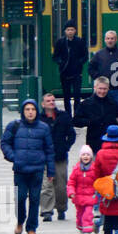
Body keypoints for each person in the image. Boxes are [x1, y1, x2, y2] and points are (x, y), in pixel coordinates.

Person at [1, 98, 55, 234]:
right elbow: (5, 143)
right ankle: (20, 221)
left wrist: (50, 170)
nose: (30, 112)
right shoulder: (15, 126)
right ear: (23, 111)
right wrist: (13, 157)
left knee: (35, 199)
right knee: (20, 197)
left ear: (37, 111)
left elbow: (49, 150)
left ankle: (31, 227)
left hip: (37, 169)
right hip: (20, 169)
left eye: (33, 109)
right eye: (27, 109)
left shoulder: (43, 128)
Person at [39, 91, 76, 222]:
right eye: (48, 101)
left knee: (61, 184)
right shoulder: (39, 119)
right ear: (43, 104)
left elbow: (71, 134)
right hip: (44, 157)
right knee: (46, 184)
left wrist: (66, 147)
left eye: (53, 100)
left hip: (60, 156)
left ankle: (61, 208)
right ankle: (46, 210)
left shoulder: (63, 116)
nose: (52, 102)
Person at [73, 76, 118, 154]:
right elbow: (76, 121)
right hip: (94, 143)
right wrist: (89, 122)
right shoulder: (86, 104)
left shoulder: (113, 103)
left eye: (105, 89)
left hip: (110, 143)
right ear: (95, 88)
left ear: (108, 88)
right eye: (100, 88)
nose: (102, 91)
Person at [88, 29, 118, 119]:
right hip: (103, 90)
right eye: (108, 38)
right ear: (105, 40)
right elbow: (90, 67)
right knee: (101, 111)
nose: (110, 40)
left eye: (112, 38)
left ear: (116, 39)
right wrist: (98, 78)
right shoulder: (99, 54)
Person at [53, 20, 87, 117]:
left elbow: (85, 55)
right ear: (65, 31)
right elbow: (55, 56)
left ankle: (76, 114)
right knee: (66, 96)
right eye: (68, 30)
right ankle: (68, 115)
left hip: (76, 73)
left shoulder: (80, 41)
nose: (70, 32)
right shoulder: (60, 42)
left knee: (77, 95)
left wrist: (79, 63)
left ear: (75, 31)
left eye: (72, 29)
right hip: (65, 73)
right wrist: (61, 62)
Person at [67, 145, 98, 234]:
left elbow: (98, 181)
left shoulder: (94, 169)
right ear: (80, 156)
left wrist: (98, 191)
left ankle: (88, 231)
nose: (85, 156)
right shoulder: (76, 169)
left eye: (88, 155)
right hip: (79, 197)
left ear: (91, 157)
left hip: (90, 196)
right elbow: (71, 182)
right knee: (80, 215)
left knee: (88, 213)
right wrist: (71, 192)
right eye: (83, 154)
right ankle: (81, 228)